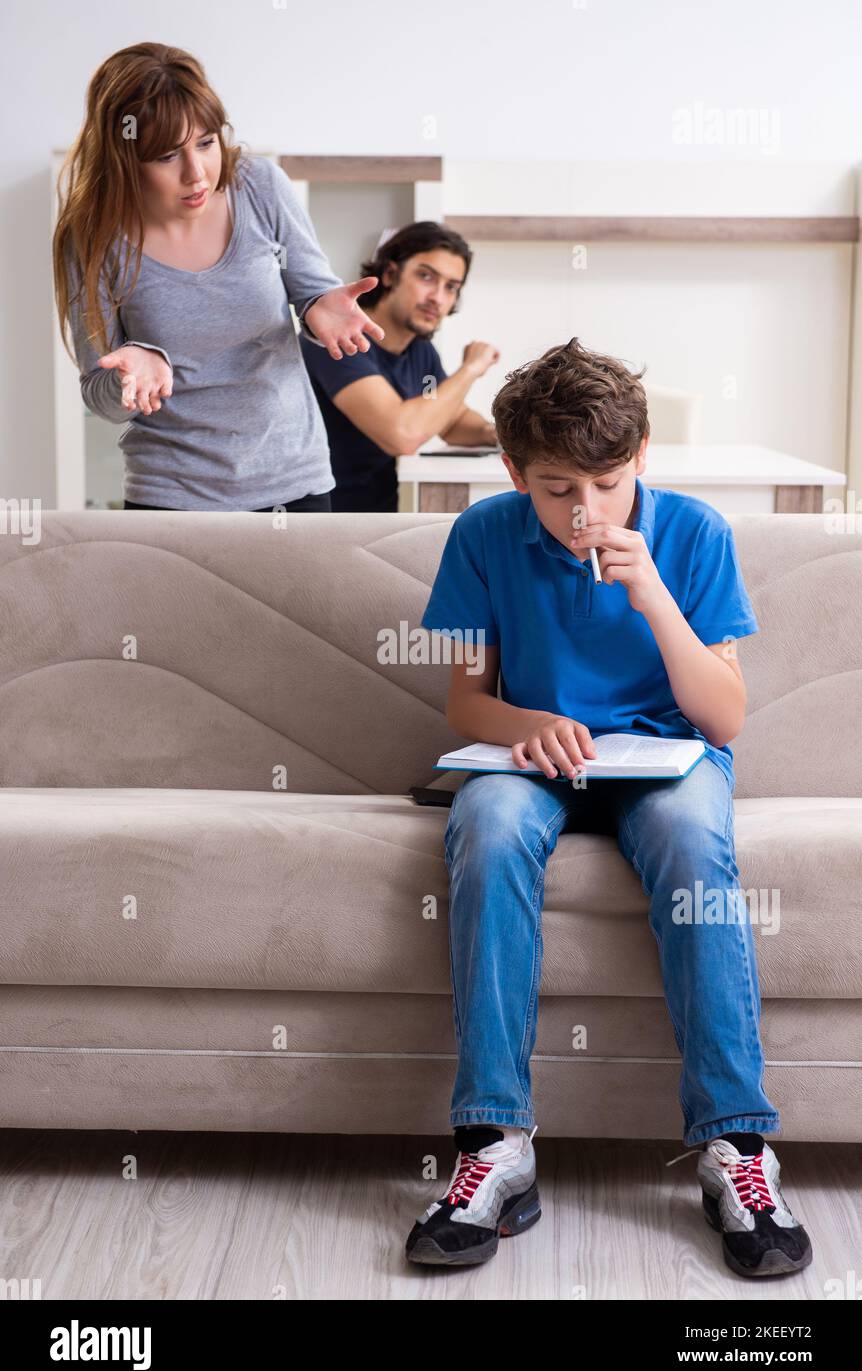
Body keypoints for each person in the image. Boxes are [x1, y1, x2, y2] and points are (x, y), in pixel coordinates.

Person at [406, 337, 813, 1277]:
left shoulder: (696, 534)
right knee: (490, 825)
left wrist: (652, 595)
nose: (583, 512)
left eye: (606, 483)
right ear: (513, 473)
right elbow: (466, 701)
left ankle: (736, 1148)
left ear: (640, 463)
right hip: (531, 757)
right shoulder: (482, 537)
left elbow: (725, 717)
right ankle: (494, 1145)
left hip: (668, 758)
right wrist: (530, 723)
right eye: (555, 489)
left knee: (690, 840)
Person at [52, 42, 384, 512]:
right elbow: (102, 399)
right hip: (170, 496)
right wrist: (132, 369)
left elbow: (314, 293)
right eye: (166, 156)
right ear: (123, 157)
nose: (197, 174)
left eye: (206, 143)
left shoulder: (259, 187)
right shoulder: (91, 238)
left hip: (293, 482)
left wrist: (318, 308)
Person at [299, 222, 499, 511]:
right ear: (391, 274)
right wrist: (470, 369)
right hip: (323, 521)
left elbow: (451, 420)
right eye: (426, 276)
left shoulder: (420, 350)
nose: (438, 298)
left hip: (376, 517)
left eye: (451, 287)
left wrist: (497, 433)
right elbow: (402, 434)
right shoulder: (339, 337)